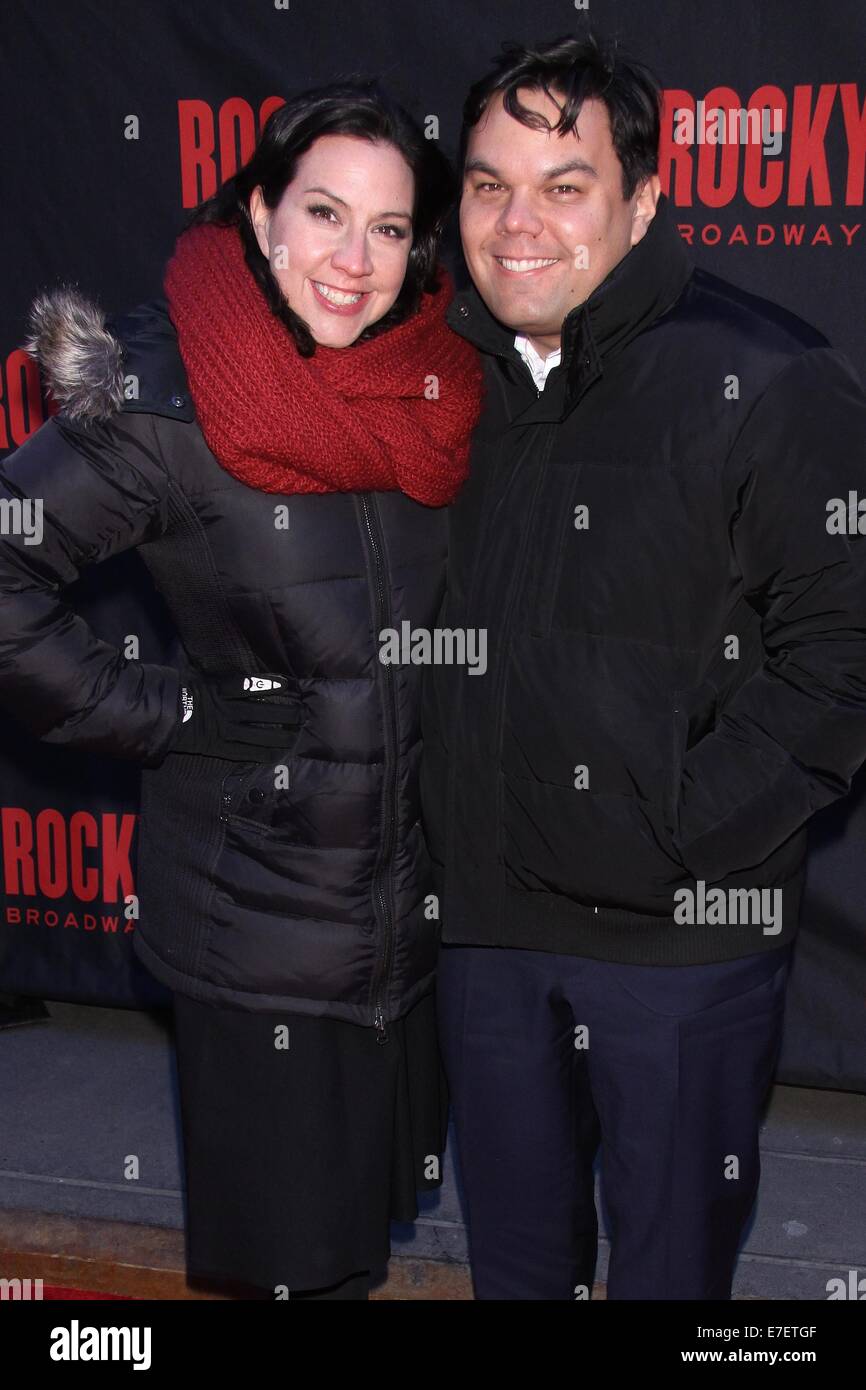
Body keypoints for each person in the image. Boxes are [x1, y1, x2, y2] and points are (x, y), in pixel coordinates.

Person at [0, 80, 483, 1300]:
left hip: (407, 927)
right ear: (262, 213)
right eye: (324, 213)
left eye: (386, 229)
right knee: (289, 1270)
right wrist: (169, 713)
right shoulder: (171, 397)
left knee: (357, 1247)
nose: (353, 260)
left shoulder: (436, 385)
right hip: (259, 930)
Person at [420, 30, 866, 1300]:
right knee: (515, 1273)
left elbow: (842, 649)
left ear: (643, 200)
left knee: (671, 1283)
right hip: (483, 937)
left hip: (681, 947)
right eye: (488, 184)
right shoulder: (436, 369)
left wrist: (684, 829)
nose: (518, 224)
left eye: (564, 186)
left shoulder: (766, 374)